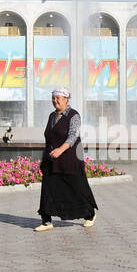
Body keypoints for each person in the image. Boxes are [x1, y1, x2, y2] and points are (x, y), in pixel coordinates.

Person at [35, 87, 97, 231]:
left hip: (70, 158)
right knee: (48, 188)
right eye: (53, 98)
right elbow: (49, 137)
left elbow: (73, 135)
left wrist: (60, 149)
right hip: (52, 159)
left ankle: (90, 214)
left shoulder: (73, 115)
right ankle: (46, 221)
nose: (55, 101)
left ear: (66, 99)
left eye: (58, 98)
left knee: (76, 188)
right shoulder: (52, 116)